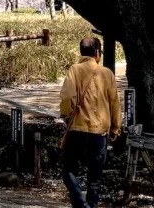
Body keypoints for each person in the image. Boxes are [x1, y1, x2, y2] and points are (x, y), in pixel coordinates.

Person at [59, 36, 122, 208]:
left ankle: (80, 204)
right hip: (99, 134)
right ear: (97, 52)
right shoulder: (107, 73)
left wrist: (66, 115)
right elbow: (115, 103)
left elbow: (67, 98)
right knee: (95, 176)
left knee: (68, 170)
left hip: (77, 130)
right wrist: (115, 129)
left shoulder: (74, 70)